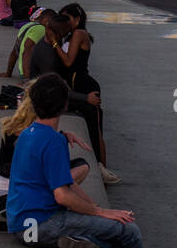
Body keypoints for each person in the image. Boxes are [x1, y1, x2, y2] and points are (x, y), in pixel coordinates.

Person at [6, 74, 152, 248]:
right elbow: (62, 195)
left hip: (21, 226)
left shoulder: (28, 133)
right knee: (129, 230)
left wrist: (96, 208)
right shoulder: (53, 142)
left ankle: (85, 241)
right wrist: (100, 213)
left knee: (108, 226)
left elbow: (66, 183)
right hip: (43, 224)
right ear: (64, 105)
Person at [0, 89, 91, 225]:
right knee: (60, 177)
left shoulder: (31, 131)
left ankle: (69, 200)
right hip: (9, 199)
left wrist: (63, 135)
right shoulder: (21, 133)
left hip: (25, 190)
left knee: (81, 166)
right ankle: (79, 204)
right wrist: (94, 208)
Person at [27, 13, 116, 184]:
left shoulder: (52, 45)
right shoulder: (48, 55)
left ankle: (100, 163)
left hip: (52, 92)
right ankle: (98, 165)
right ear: (60, 33)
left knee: (95, 113)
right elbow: (54, 89)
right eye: (68, 31)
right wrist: (85, 98)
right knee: (90, 110)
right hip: (45, 99)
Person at [57, 3, 117, 184]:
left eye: (68, 18)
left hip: (86, 85)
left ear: (77, 19)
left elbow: (68, 62)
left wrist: (53, 43)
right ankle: (101, 168)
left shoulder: (79, 34)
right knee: (93, 127)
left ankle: (102, 168)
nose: (65, 22)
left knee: (96, 129)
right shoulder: (70, 34)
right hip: (78, 85)